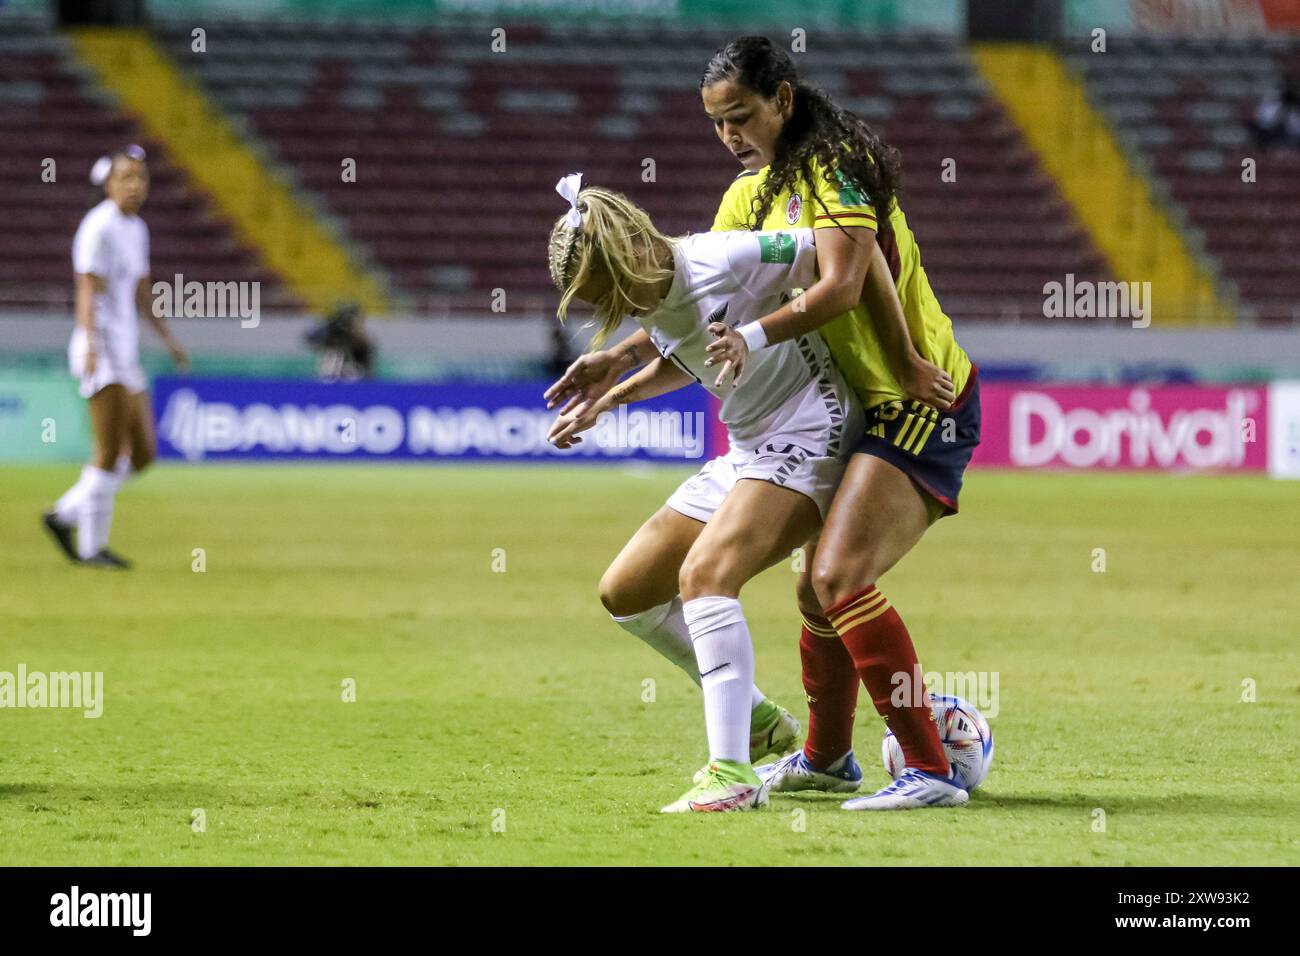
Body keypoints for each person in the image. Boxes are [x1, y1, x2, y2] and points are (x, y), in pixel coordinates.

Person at [548, 36, 979, 811]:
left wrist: (910, 357)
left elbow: (854, 272)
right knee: (814, 593)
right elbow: (709, 308)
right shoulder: (748, 195)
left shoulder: (835, 164)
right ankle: (824, 757)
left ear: (783, 98)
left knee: (836, 578)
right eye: (717, 124)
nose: (731, 136)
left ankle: (931, 769)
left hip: (915, 398)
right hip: (843, 405)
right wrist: (617, 366)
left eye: (741, 116)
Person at [546, 174, 864, 812]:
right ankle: (757, 720)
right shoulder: (653, 292)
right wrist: (609, 397)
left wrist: (759, 333)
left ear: (633, 249)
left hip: (811, 427)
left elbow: (838, 260)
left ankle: (731, 775)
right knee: (628, 591)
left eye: (608, 291)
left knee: (706, 575)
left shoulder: (727, 256)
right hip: (749, 445)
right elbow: (684, 348)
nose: (614, 309)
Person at [42, 145, 189, 569]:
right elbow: (86, 288)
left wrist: (167, 338)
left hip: (126, 351)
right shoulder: (98, 227)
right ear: (107, 184)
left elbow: (142, 291)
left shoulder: (137, 228)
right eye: (126, 177)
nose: (135, 185)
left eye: (141, 177)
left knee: (143, 455)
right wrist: (89, 344)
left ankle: (63, 514)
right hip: (102, 350)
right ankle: (91, 547)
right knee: (107, 452)